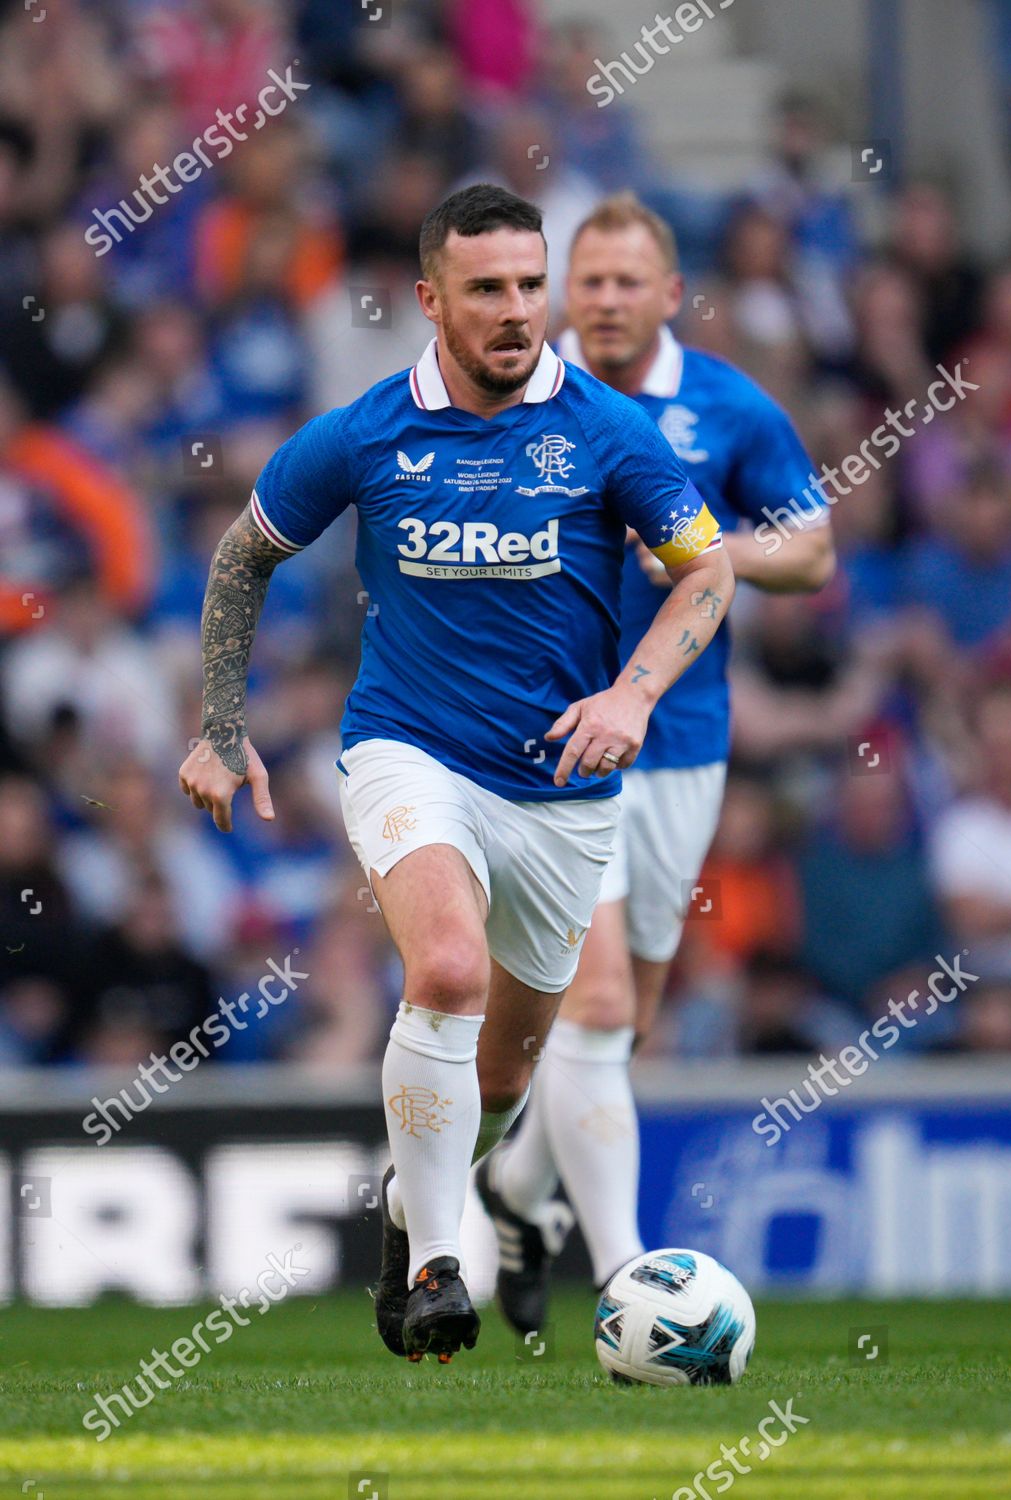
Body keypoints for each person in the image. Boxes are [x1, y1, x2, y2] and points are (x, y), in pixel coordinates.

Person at [178, 184, 734, 1362]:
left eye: (532, 285)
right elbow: (243, 559)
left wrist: (633, 693)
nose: (518, 310)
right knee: (443, 967)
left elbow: (708, 572)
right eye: (488, 289)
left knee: (507, 1073)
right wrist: (221, 725)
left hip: (562, 794)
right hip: (407, 751)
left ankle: (405, 1201)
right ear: (430, 300)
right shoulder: (366, 432)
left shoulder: (607, 430)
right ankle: (438, 1263)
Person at [476, 192, 834, 1333]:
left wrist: (705, 549)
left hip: (684, 740)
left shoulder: (729, 409)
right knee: (597, 997)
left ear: (671, 295)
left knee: (624, 1027)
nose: (610, 300)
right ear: (565, 293)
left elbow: (816, 551)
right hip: (555, 737)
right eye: (592, 281)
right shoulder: (522, 395)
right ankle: (629, 1282)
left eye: (632, 282)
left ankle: (519, 1193)